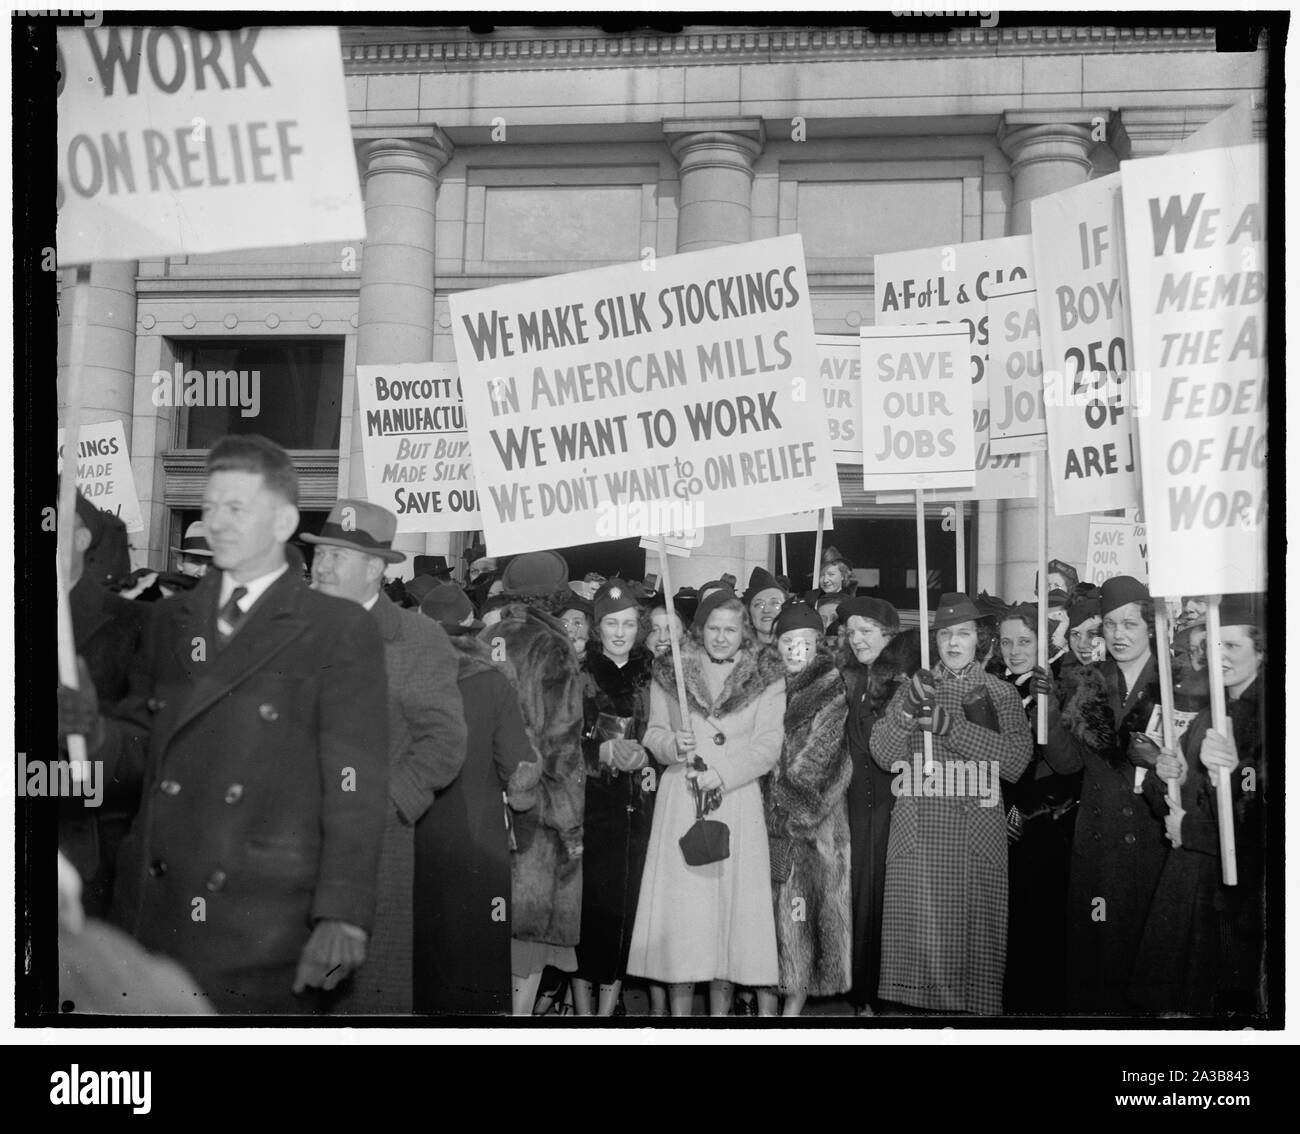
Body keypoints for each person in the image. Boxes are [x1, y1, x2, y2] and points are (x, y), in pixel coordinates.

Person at [69, 434, 390, 1013]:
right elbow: (144, 744)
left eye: (236, 508)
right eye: (210, 506)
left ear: (284, 519)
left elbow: (354, 782)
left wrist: (342, 913)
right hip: (150, 906)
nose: (216, 522)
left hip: (262, 922)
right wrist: (94, 735)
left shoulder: (336, 628)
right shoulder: (170, 620)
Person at [305, 499, 468, 1013]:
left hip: (373, 853)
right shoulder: (291, 629)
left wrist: (391, 802)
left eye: (338, 556)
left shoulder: (417, 640)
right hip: (289, 847)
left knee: (353, 996)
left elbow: (444, 742)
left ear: (375, 569)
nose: (322, 566)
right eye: (321, 553)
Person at [870, 593, 1033, 1014]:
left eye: (963, 633)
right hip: (920, 842)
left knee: (971, 982)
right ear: (934, 639)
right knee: (913, 987)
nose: (954, 643)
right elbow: (884, 755)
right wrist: (906, 708)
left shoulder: (999, 694)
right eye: (945, 634)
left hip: (974, 841)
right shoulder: (914, 688)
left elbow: (1015, 762)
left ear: (979, 639)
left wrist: (952, 729)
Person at [626, 588, 785, 1016]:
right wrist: (672, 744)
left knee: (728, 923)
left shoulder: (766, 675)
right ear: (700, 630)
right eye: (713, 628)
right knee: (685, 920)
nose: (720, 637)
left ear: (744, 632)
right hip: (684, 798)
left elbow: (770, 745)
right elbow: (652, 733)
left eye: (730, 629)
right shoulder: (671, 672)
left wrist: (726, 772)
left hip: (735, 800)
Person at [1131, 596, 1266, 1016]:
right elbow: (1170, 799)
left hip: (1242, 905)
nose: (1219, 656)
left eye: (1233, 646)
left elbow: (1259, 829)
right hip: (1194, 890)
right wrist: (1168, 772)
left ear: (1261, 652)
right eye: (1214, 645)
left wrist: (1190, 826)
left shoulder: (1269, 716)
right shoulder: (1214, 713)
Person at [1043, 574, 1167, 1015]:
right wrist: (1052, 710)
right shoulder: (1088, 683)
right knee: (1096, 965)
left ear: (1150, 626)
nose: (1118, 634)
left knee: (1146, 963)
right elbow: (1066, 764)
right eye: (1110, 625)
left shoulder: (1177, 687)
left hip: (1155, 843)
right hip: (1097, 843)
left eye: (1129, 624)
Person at [414, 582, 537, 1015]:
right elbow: (519, 776)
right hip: (477, 836)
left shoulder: (402, 674)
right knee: (474, 955)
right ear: (470, 628)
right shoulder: (493, 681)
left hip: (413, 831)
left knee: (416, 953)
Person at [485, 551, 587, 1015]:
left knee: (492, 931)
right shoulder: (553, 647)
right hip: (539, 812)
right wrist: (570, 825)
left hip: (487, 804)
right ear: (558, 594)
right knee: (528, 939)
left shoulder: (485, 637)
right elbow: (563, 743)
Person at [58, 488, 152, 919]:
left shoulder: (133, 623)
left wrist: (93, 733)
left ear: (81, 540)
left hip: (84, 854)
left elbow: (141, 753)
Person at [757, 600, 852, 1017]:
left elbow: (824, 759)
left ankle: (789, 1022)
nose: (797, 650)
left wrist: (786, 811)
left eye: (806, 642)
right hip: (761, 825)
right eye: (788, 641)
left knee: (803, 932)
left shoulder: (830, 686)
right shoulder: (762, 684)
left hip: (811, 831)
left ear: (819, 644)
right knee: (764, 941)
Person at [988, 604, 1080, 1014]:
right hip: (993, 817)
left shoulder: (1060, 686)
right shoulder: (992, 685)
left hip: (1040, 823)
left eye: (1024, 641)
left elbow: (1067, 766)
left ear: (1043, 644)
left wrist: (1048, 708)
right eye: (1007, 642)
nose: (1014, 650)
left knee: (1035, 925)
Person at [571, 580, 656, 1016]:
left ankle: (608, 1013)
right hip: (591, 808)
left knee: (628, 907)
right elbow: (559, 742)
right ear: (596, 626)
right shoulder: (579, 671)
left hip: (639, 809)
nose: (619, 632)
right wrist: (598, 751)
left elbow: (663, 734)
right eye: (610, 623)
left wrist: (648, 751)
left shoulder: (652, 671)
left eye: (627, 624)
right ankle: (584, 1014)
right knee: (590, 912)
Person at [834, 596, 904, 1015]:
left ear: (888, 635)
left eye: (867, 631)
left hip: (892, 804)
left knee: (882, 897)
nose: (857, 639)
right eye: (852, 632)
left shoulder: (906, 680)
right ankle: (859, 989)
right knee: (857, 893)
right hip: (852, 802)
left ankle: (877, 993)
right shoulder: (848, 679)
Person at [743, 567, 787, 647]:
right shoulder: (738, 656)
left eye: (774, 603)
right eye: (759, 604)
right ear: (749, 612)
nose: (766, 610)